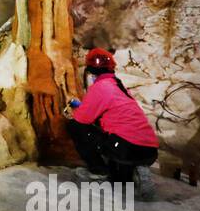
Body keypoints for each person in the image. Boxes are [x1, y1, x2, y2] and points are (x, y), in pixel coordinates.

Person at [65, 48, 158, 196]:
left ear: (90, 70)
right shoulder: (120, 86)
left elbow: (82, 119)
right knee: (119, 178)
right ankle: (139, 169)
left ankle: (98, 171)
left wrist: (75, 108)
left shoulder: (100, 87)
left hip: (125, 148)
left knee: (75, 126)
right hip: (149, 150)